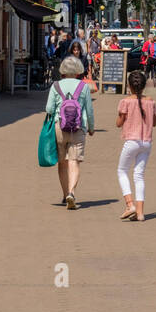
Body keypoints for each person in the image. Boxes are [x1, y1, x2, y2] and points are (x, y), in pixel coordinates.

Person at [45, 56, 95, 209]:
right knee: (74, 161)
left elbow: (49, 109)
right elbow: (89, 110)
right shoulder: (83, 87)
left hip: (60, 126)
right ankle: (71, 193)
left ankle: (64, 192)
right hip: (78, 127)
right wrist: (91, 127)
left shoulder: (56, 86)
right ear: (78, 70)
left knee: (62, 162)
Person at [116, 69, 156, 221]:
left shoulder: (125, 101)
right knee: (139, 175)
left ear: (129, 86)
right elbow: (155, 122)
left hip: (131, 140)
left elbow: (119, 123)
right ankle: (140, 212)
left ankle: (129, 204)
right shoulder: (151, 101)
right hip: (146, 142)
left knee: (122, 171)